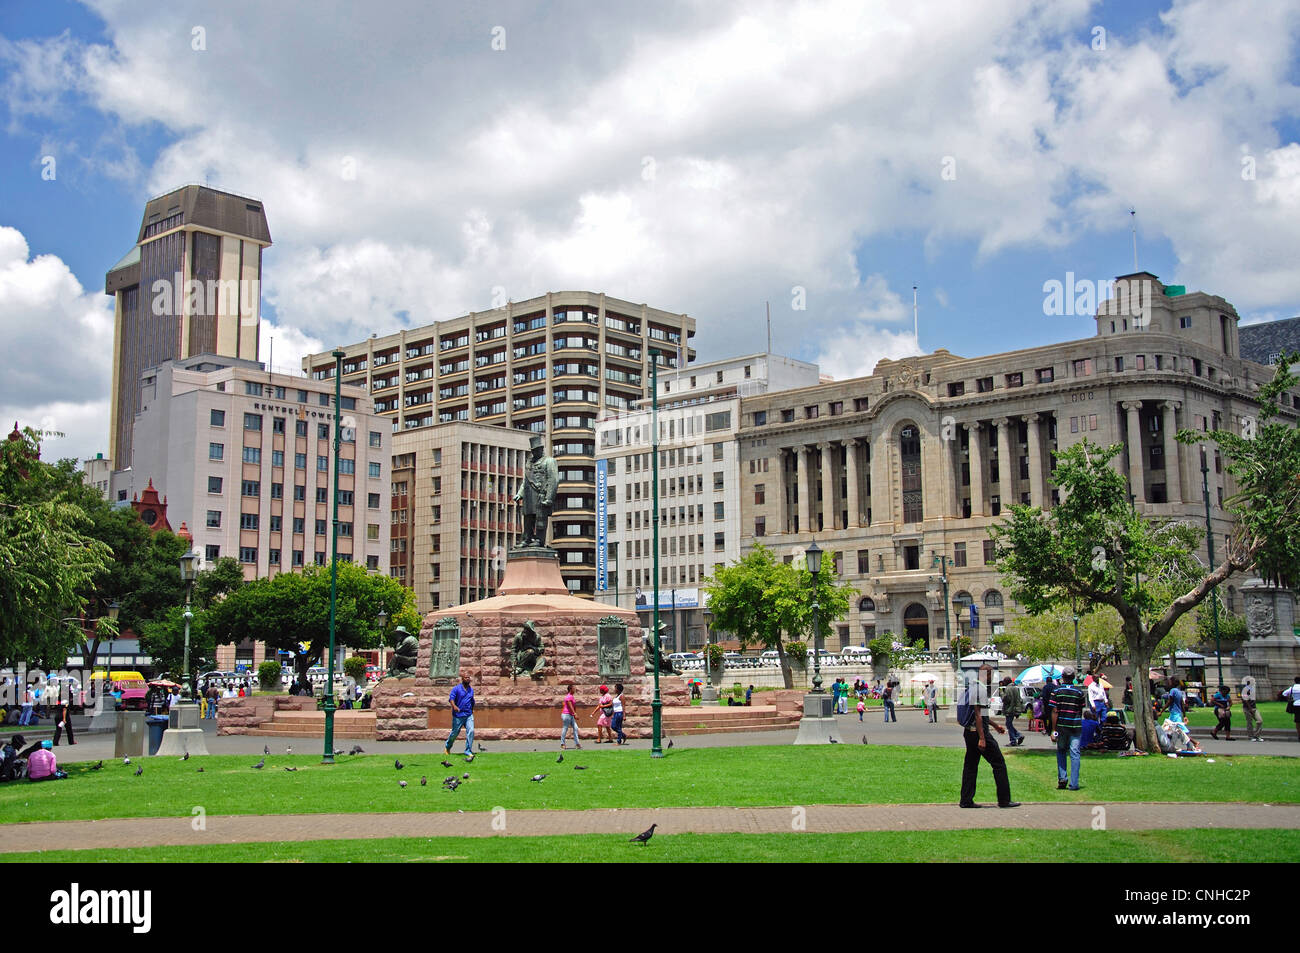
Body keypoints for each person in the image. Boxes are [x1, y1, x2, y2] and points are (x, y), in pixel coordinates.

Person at [958, 667, 1019, 809]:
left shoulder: (975, 687)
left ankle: (966, 800)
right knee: (999, 764)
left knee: (970, 766)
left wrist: (995, 725)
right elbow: (978, 714)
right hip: (979, 733)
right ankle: (1004, 800)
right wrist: (982, 738)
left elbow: (982, 714)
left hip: (969, 732)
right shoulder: (981, 690)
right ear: (988, 675)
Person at [1051, 666, 1086, 791]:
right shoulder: (1079, 692)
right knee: (1075, 754)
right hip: (1075, 727)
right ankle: (1074, 783)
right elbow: (1080, 709)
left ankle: (1062, 778)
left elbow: (1055, 711)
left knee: (1061, 751)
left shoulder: (1057, 691)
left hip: (1061, 727)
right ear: (1074, 678)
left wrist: (1053, 730)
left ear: (1062, 677)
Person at [445, 673, 475, 761]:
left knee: (471, 731)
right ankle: (448, 746)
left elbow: (472, 700)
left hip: (468, 714)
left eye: (469, 677)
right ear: (462, 679)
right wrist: (454, 706)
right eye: (466, 677)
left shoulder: (470, 690)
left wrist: (472, 709)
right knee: (455, 733)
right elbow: (451, 699)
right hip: (458, 715)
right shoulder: (456, 689)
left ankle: (468, 750)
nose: (468, 679)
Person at [997, 677, 1024, 747]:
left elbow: (1006, 699)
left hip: (1010, 709)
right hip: (1015, 709)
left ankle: (1014, 740)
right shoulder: (1015, 688)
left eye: (1004, 682)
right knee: (1009, 724)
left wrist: (1001, 692)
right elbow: (1019, 699)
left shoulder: (1008, 689)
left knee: (1008, 724)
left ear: (1006, 682)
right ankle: (1018, 735)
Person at [1240, 676, 1263, 742]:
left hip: (1254, 708)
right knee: (1249, 722)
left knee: (1260, 721)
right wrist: (1250, 708)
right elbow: (1245, 700)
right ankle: (1250, 736)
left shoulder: (1252, 689)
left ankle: (1257, 735)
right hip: (1247, 708)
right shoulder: (1245, 690)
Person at [560, 684, 581, 749]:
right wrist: (574, 714)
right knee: (565, 728)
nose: (575, 689)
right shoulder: (569, 697)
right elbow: (570, 706)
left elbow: (573, 706)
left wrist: (574, 714)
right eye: (574, 688)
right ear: (570, 689)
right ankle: (562, 743)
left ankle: (577, 743)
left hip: (570, 715)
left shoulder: (571, 696)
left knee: (575, 728)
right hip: (566, 715)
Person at [1283, 676, 1300, 744]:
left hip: (1296, 705)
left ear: (1295, 681)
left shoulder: (1292, 688)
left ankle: (1299, 735)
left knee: (1297, 721)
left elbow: (1284, 693)